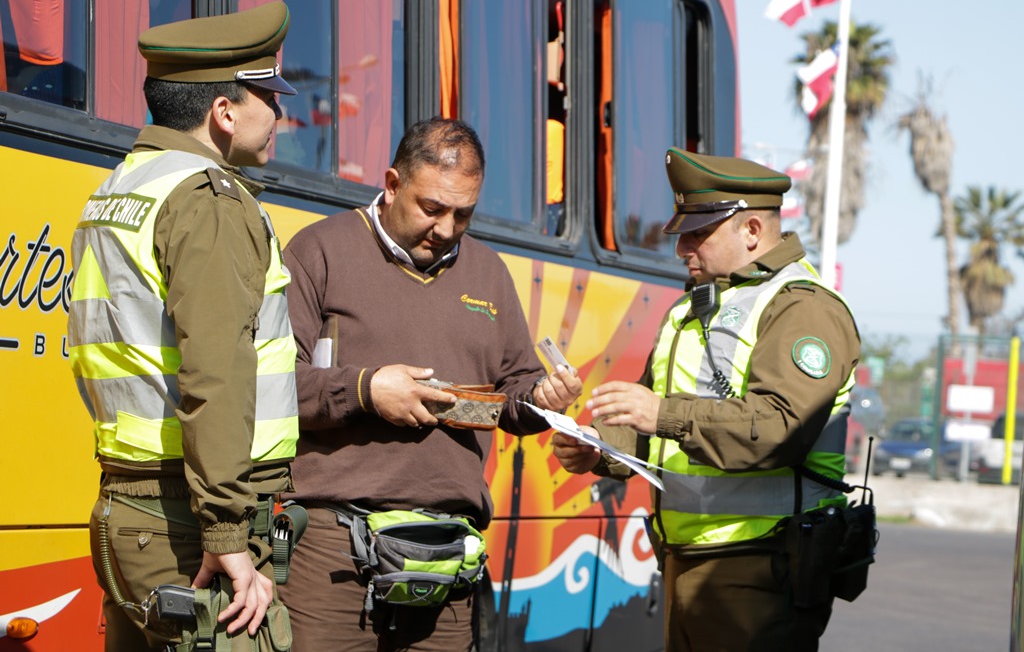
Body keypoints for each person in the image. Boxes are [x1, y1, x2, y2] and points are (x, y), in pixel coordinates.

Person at [278, 116, 583, 651]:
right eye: (432, 208)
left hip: (448, 551)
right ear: (392, 184)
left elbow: (514, 392)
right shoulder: (318, 250)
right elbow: (274, 384)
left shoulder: (489, 272)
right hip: (333, 550)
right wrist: (367, 390)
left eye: (463, 214)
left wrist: (541, 398)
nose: (445, 228)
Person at [552, 148, 861, 652]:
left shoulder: (802, 308)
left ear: (752, 231)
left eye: (698, 234)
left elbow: (778, 428)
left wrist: (661, 413)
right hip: (687, 561)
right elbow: (653, 421)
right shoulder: (689, 309)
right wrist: (599, 448)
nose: (682, 249)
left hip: (762, 567)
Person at [67, 2, 300, 651]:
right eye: (269, 98)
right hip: (188, 522)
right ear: (225, 112)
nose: (279, 115)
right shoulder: (208, 200)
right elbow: (217, 374)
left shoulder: (120, 188)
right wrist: (226, 531)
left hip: (127, 505)